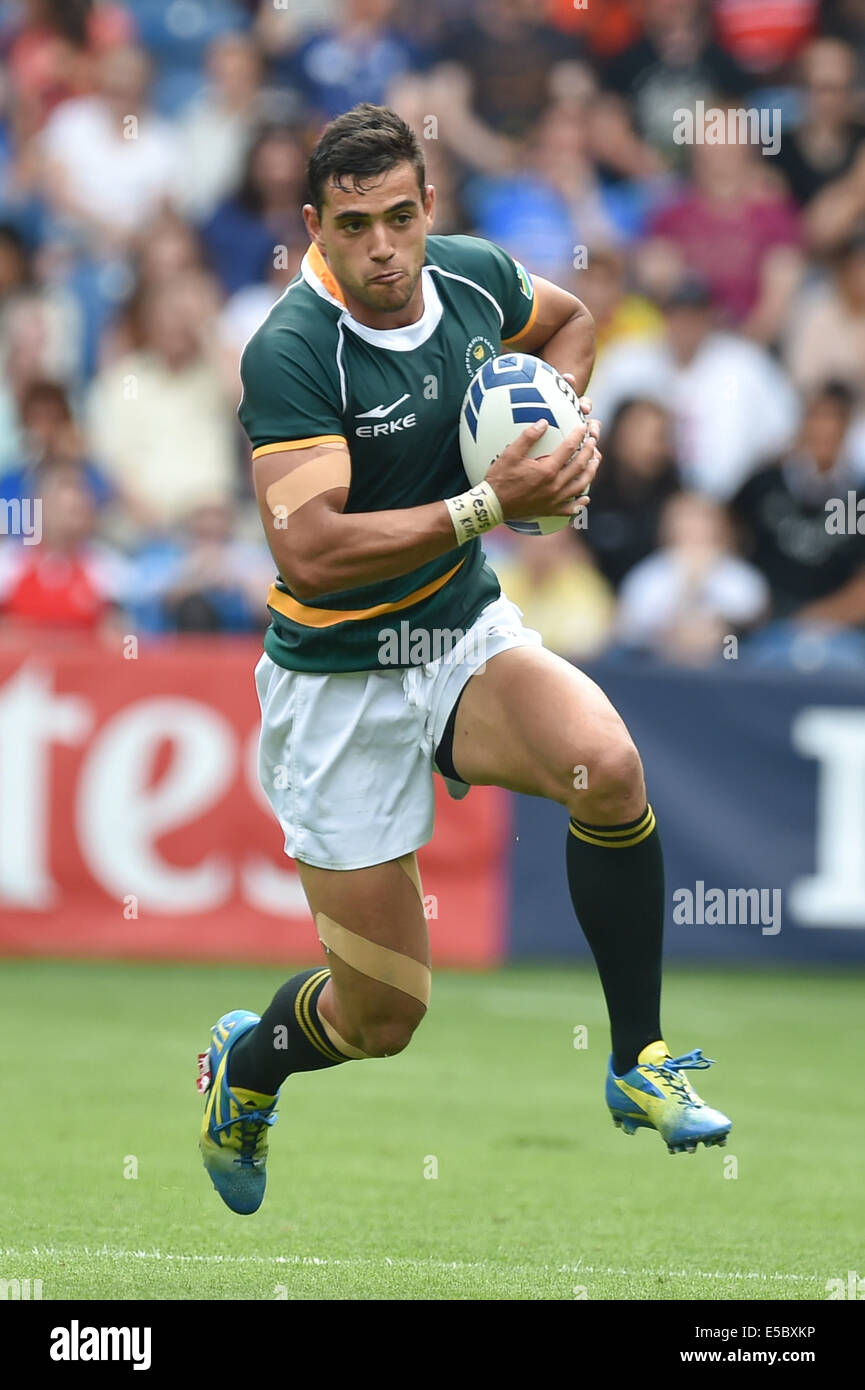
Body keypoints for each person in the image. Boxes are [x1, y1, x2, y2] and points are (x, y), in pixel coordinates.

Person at [196, 104, 731, 1217]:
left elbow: (575, 318)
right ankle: (249, 1069)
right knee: (382, 1016)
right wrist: (495, 497)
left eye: (401, 216)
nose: (384, 246)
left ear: (430, 206)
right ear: (315, 230)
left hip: (458, 635)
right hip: (336, 679)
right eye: (354, 226)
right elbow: (312, 545)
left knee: (609, 768)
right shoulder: (293, 349)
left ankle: (638, 1057)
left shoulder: (475, 278)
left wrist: (560, 428)